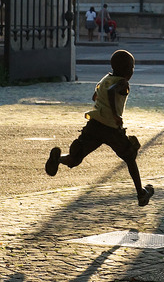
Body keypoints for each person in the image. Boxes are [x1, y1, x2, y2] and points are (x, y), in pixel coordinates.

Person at [45, 50, 154, 206]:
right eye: (132, 68)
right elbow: (111, 92)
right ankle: (141, 193)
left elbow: (95, 96)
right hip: (110, 127)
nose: (132, 71)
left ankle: (58, 159)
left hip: (94, 124)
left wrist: (102, 100)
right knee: (129, 156)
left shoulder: (105, 79)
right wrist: (116, 114)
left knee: (77, 156)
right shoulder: (123, 83)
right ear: (128, 70)